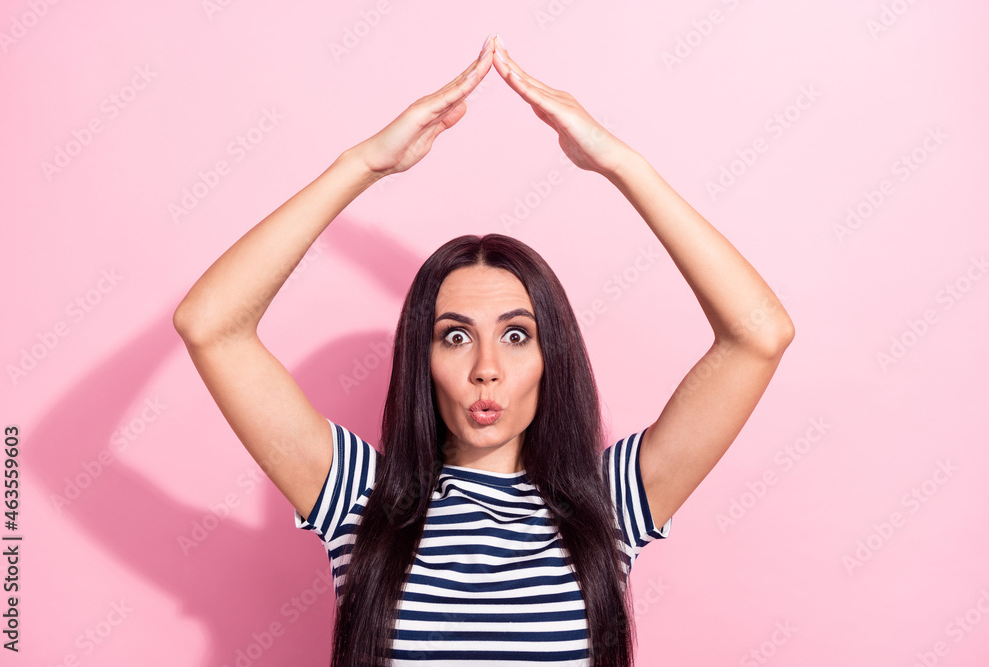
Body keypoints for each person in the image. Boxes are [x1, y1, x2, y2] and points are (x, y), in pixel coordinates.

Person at [173, 33, 794, 667]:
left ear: (554, 359)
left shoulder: (607, 503)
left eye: (517, 335)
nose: (486, 369)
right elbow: (210, 324)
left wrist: (618, 163)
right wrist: (364, 165)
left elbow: (759, 334)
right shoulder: (362, 499)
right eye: (456, 335)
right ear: (424, 359)